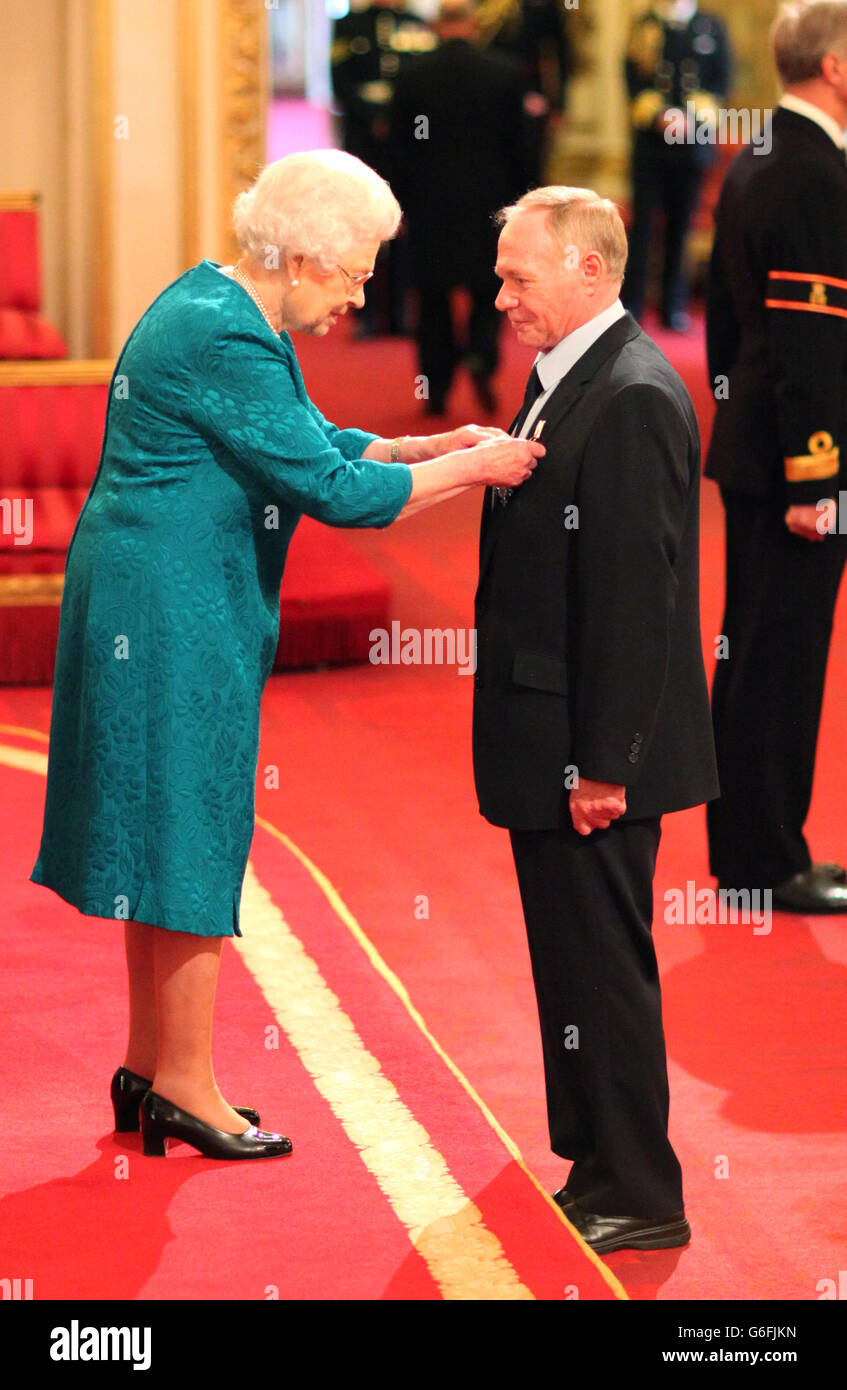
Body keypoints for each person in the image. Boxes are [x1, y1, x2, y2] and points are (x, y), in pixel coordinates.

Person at [30, 150, 542, 1162]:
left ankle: (151, 1066)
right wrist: (478, 467)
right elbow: (337, 493)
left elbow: (302, 439)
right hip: (169, 607)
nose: (360, 290)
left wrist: (421, 449)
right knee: (190, 828)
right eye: (354, 269)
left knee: (160, 832)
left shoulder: (221, 301)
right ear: (303, 253)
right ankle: (182, 1083)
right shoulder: (228, 330)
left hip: (159, 592)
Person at [473, 186, 718, 1252]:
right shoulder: (564, 372)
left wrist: (604, 763)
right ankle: (592, 1153)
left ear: (586, 269)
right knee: (568, 958)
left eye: (518, 277)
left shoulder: (629, 394)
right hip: (553, 732)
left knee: (603, 968)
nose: (501, 296)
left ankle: (641, 1186)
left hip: (594, 751)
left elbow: (634, 600)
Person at [705, 0, 847, 912]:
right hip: (791, 464)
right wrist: (815, 475)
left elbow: (728, 329)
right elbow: (805, 342)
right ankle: (764, 859)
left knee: (758, 652)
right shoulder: (809, 172)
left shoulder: (764, 155)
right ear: (834, 67)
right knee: (778, 660)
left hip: (757, 446)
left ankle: (757, 846)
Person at [390, 0, 533, 415]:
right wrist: (524, 205)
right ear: (472, 23)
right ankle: (480, 357)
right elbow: (523, 149)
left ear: (437, 25)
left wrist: (399, 207)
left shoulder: (412, 76)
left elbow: (398, 150)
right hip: (491, 205)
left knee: (432, 296)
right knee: (491, 288)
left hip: (430, 206)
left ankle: (434, 386)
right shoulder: (506, 74)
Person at [622, 0, 731, 331]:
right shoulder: (645, 24)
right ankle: (634, 305)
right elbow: (631, 77)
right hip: (652, 146)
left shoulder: (712, 27)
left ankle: (673, 306)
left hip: (691, 145)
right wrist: (659, 115)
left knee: (680, 228)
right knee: (642, 228)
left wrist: (690, 117)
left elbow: (720, 82)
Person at [330, 0, 434, 335]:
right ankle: (364, 314)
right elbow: (340, 82)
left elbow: (422, 83)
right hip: (364, 140)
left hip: (406, 142)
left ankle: (401, 314)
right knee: (362, 227)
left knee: (403, 229)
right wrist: (372, 117)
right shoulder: (349, 26)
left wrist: (395, 118)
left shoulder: (416, 23)